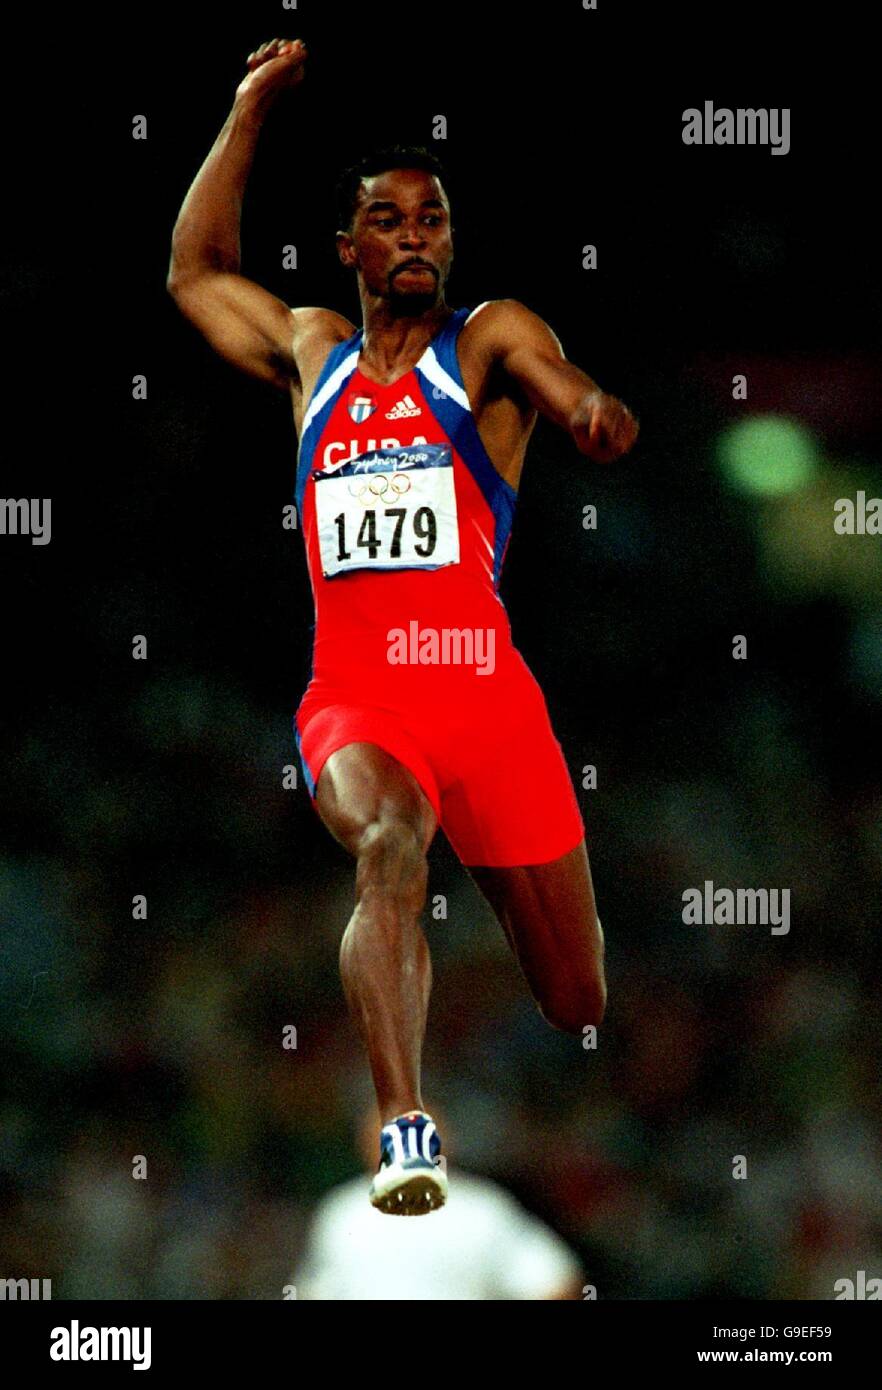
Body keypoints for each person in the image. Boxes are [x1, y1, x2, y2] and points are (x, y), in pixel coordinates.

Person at [167, 37, 639, 1216]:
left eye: (433, 216)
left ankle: (501, 1013)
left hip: (487, 701)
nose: (417, 234)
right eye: (389, 218)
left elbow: (548, 367)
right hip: (360, 700)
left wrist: (584, 409)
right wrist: (243, 115)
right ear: (350, 249)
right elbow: (195, 270)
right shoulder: (314, 353)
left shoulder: (482, 342)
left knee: (577, 1001)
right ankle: (402, 1121)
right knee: (387, 847)